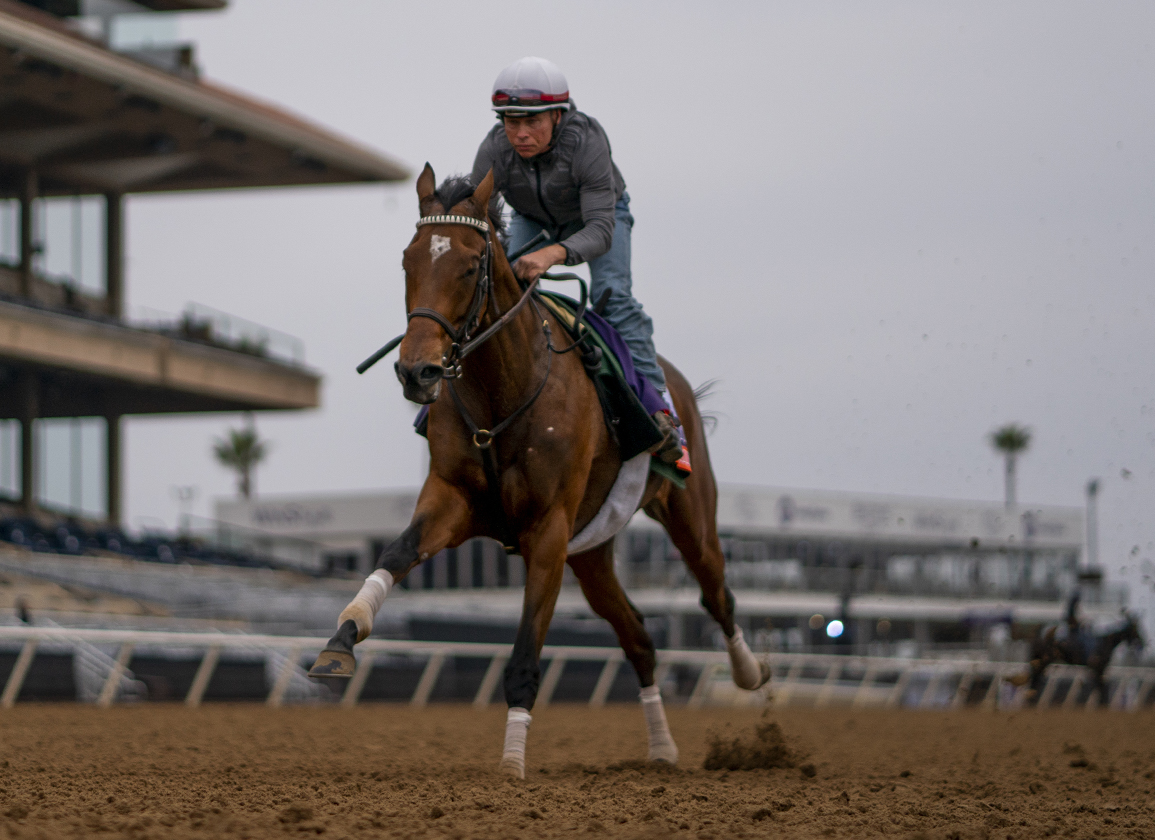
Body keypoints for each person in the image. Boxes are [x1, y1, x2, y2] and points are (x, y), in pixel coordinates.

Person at [471, 56, 688, 471]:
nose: (519, 134)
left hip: (598, 216)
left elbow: (600, 231)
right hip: (533, 217)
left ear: (557, 114)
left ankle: (662, 414)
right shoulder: (494, 147)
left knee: (613, 296)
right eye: (509, 121)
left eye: (531, 122)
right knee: (500, 292)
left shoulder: (587, 140)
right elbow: (479, 216)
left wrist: (553, 253)